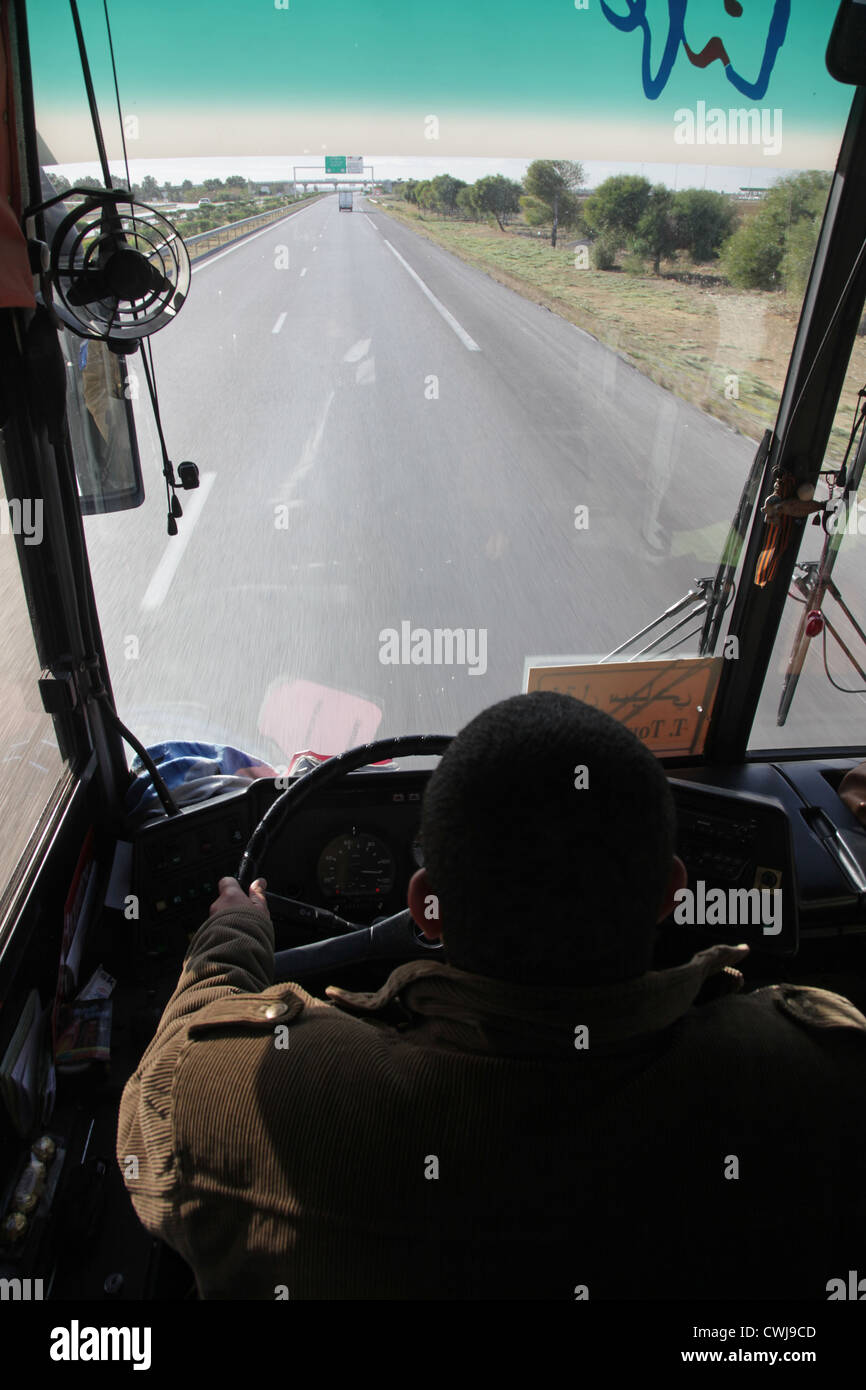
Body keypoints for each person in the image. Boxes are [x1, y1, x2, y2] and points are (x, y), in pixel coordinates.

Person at [116, 692, 866, 1300]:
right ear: (672, 894)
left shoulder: (248, 1097)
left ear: (423, 906)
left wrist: (234, 937)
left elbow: (152, 1110)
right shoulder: (820, 1075)